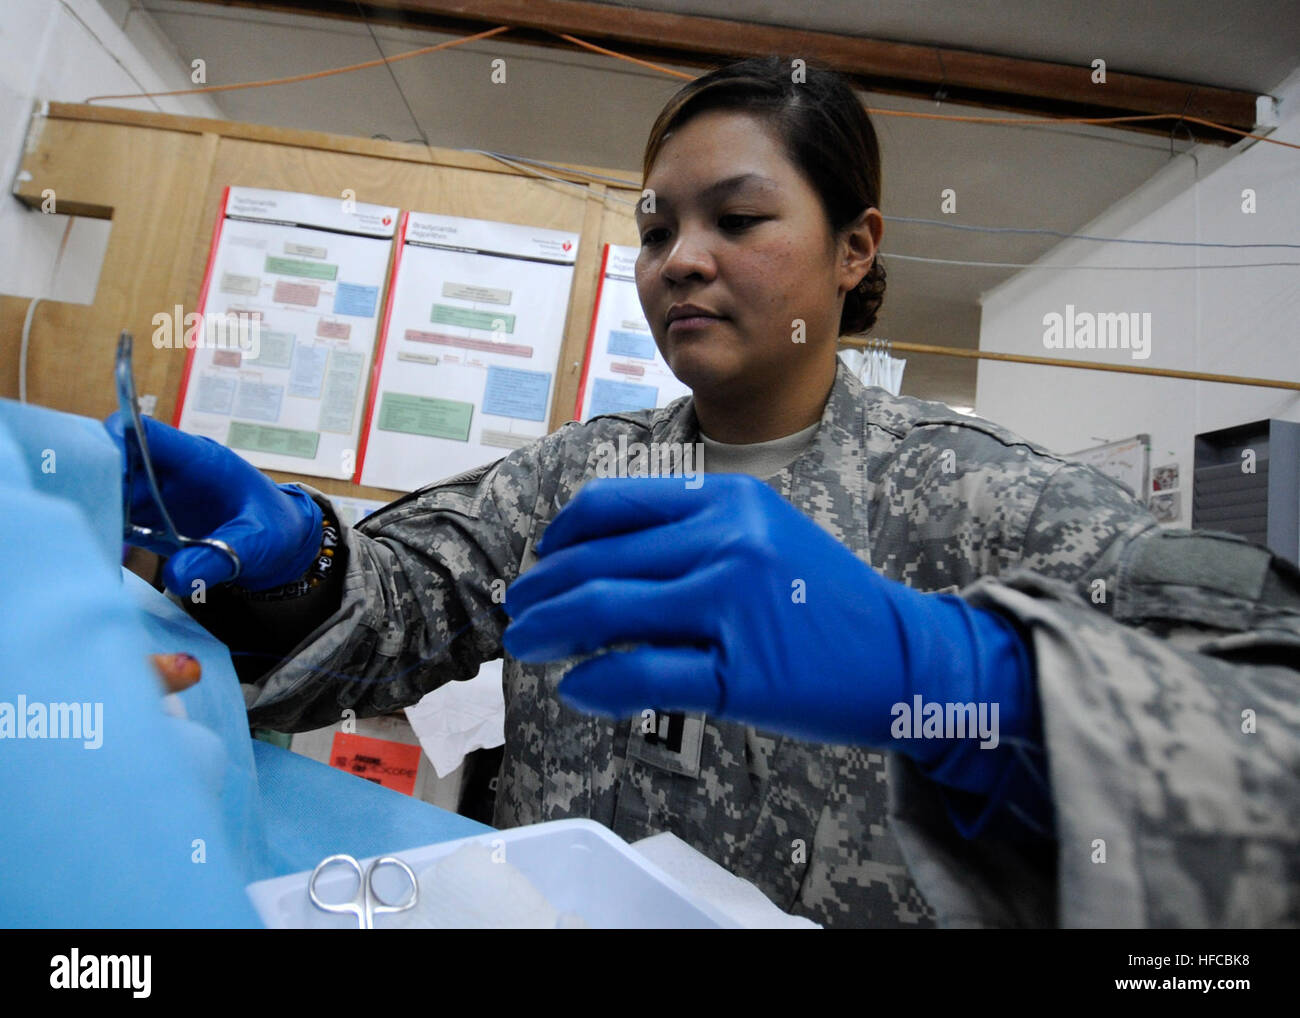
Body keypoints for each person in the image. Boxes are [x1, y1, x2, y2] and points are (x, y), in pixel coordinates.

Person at [108, 56, 1300, 927]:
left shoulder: (982, 500)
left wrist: (962, 676)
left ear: (855, 248)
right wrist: (297, 567)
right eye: (657, 225)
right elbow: (403, 598)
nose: (680, 256)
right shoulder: (582, 473)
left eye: (737, 218)